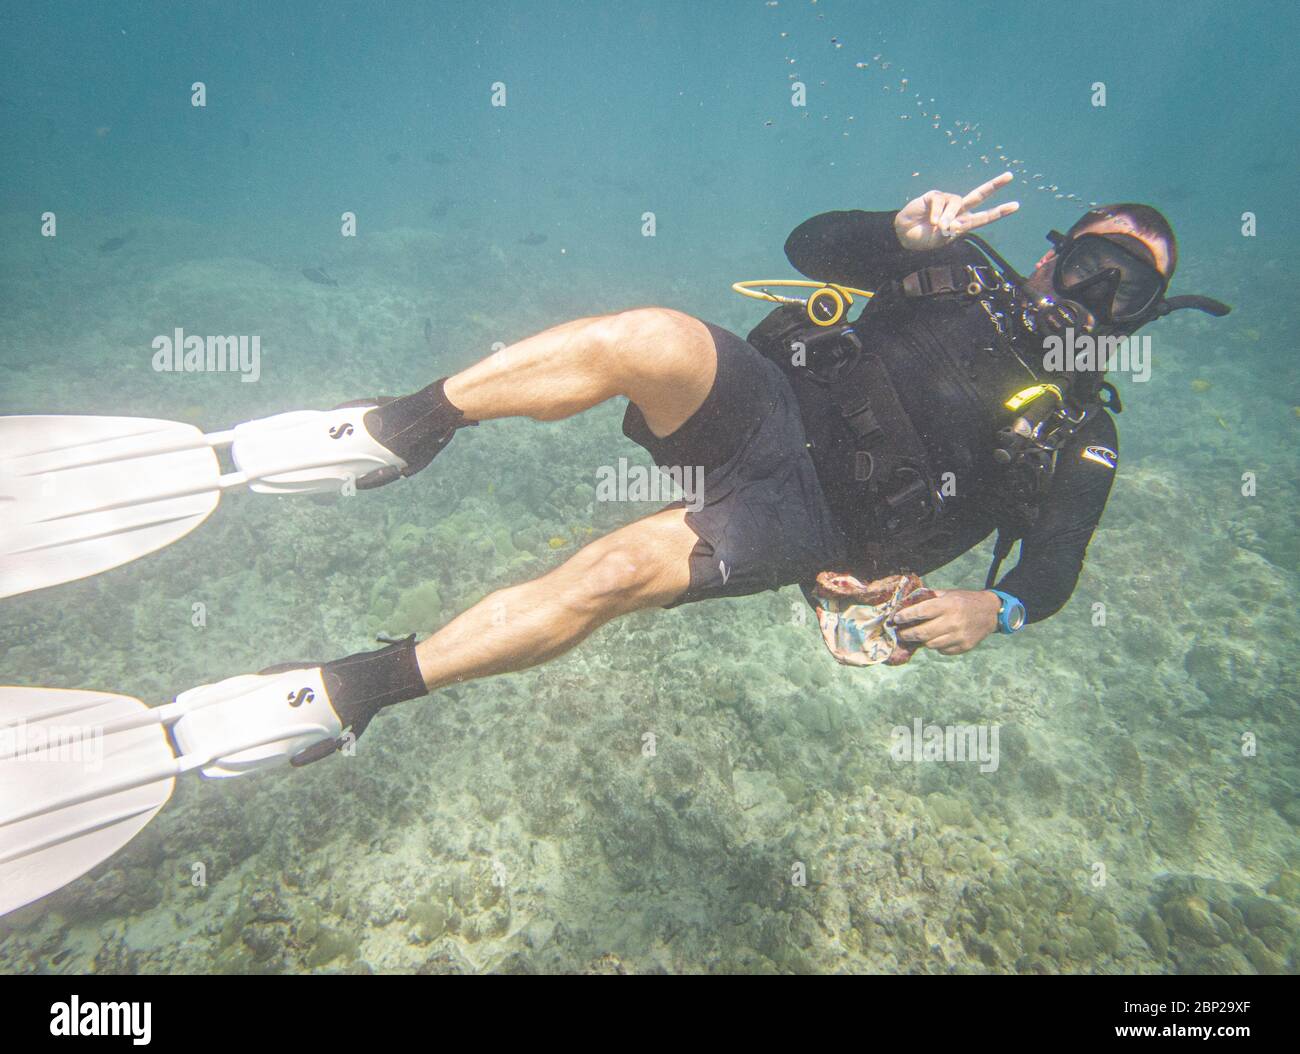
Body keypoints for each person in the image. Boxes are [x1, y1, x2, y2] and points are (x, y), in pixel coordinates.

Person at [278, 172, 1229, 760]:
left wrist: (999, 607)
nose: (1095, 297)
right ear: (1053, 256)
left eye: (1128, 291)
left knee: (609, 574)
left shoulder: (1081, 428)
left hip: (816, 529)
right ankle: (405, 426)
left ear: (1144, 319)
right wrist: (899, 235)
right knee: (645, 334)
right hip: (768, 403)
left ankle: (359, 692)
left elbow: (1055, 564)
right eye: (1093, 264)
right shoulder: (961, 266)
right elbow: (807, 248)